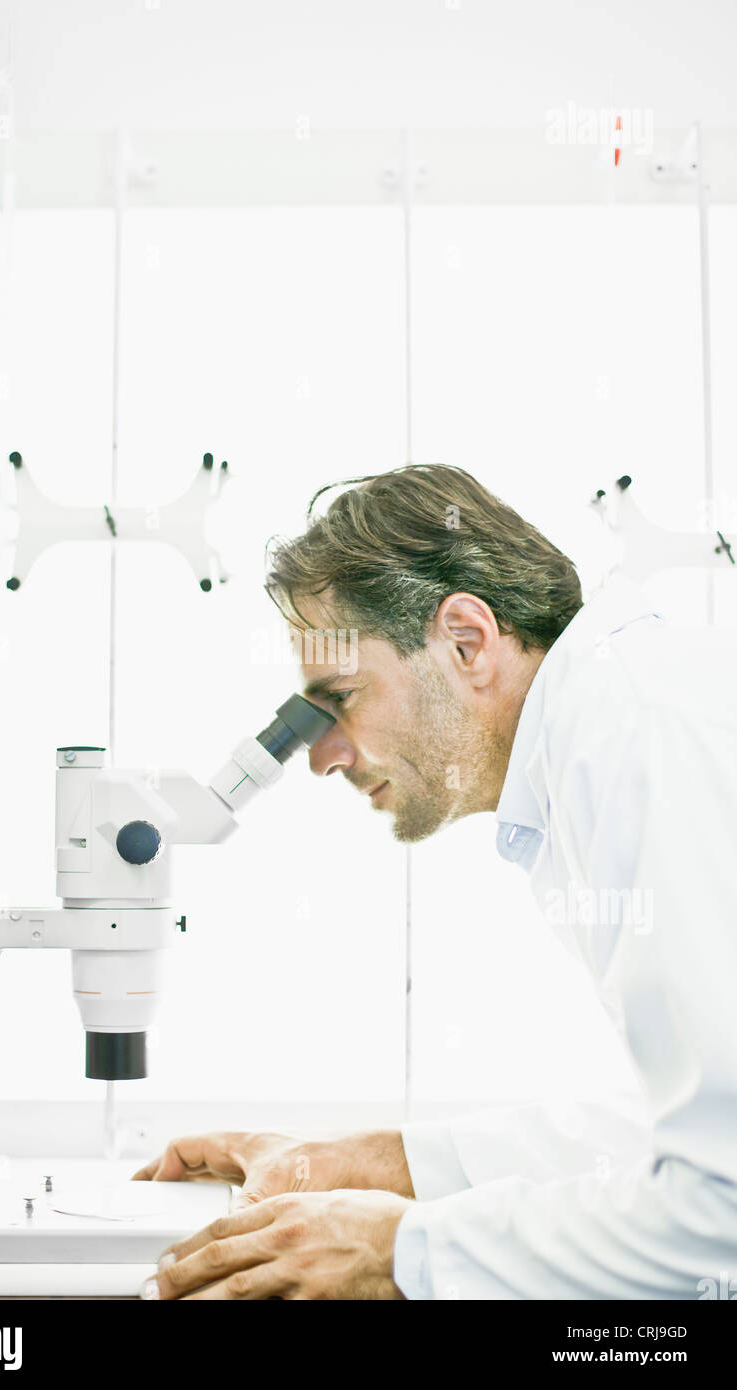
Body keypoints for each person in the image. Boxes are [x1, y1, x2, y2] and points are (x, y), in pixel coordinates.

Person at [136, 462, 737, 1300]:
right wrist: (376, 1165)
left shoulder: (636, 740)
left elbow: (721, 1195)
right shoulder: (609, 730)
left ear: (466, 639)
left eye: (338, 699)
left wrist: (404, 1254)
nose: (323, 756)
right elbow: (686, 1130)